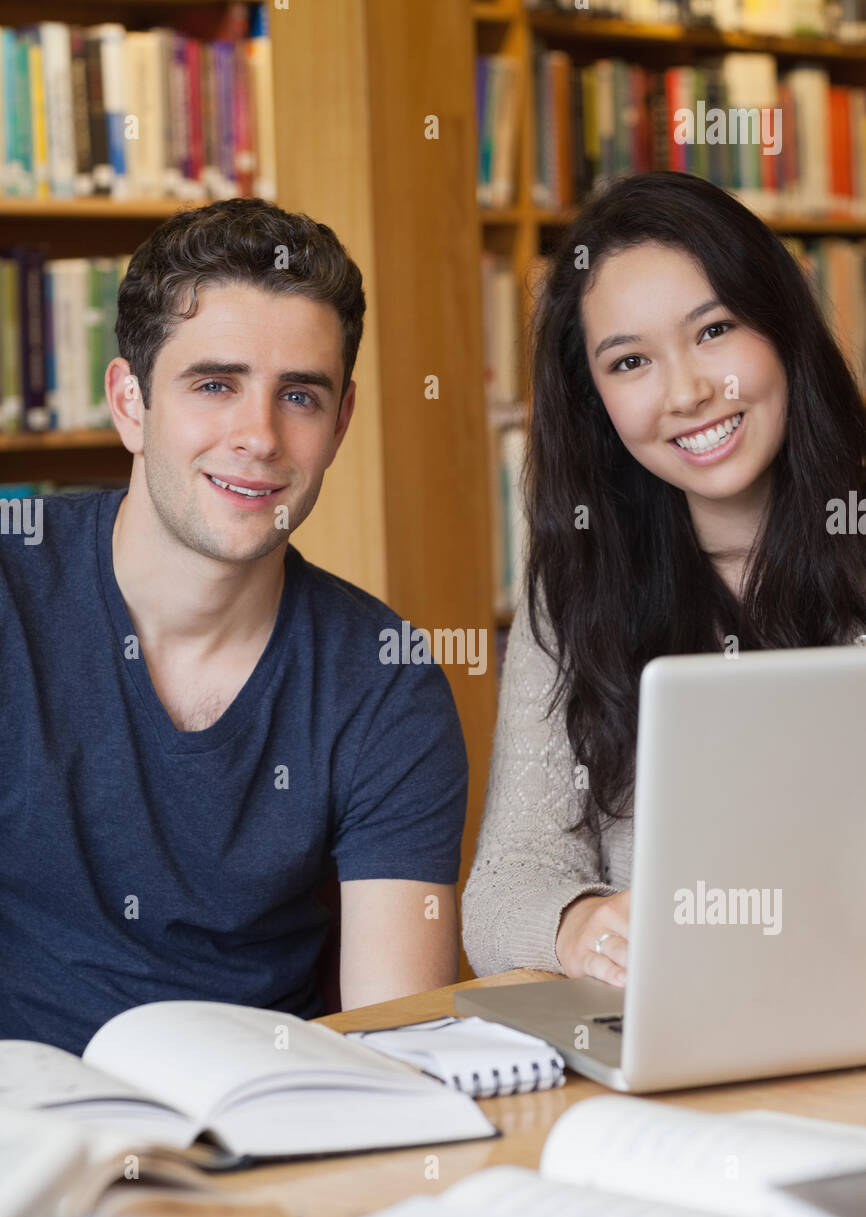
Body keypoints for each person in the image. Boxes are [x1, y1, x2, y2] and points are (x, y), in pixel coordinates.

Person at [0, 198, 467, 1053]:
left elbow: (403, 1039)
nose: (258, 437)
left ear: (341, 423)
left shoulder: (385, 679)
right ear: (131, 403)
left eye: (300, 396)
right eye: (215, 385)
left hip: (260, 1130)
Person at [462, 170, 866, 988]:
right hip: (688, 1039)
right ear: (595, 401)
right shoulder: (576, 584)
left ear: (780, 323)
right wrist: (578, 924)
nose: (685, 392)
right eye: (630, 361)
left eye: (714, 330)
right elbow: (504, 887)